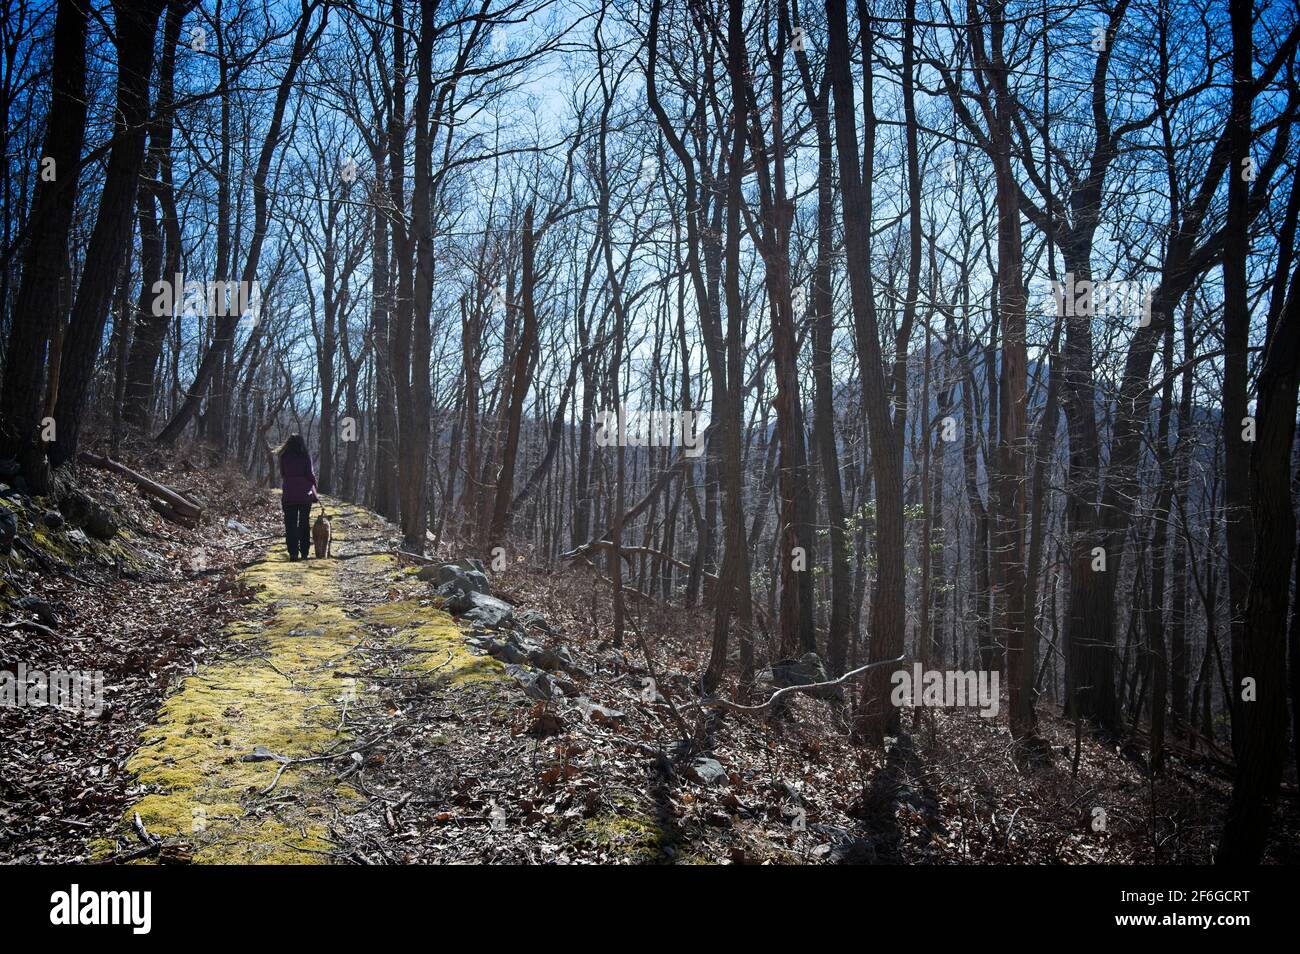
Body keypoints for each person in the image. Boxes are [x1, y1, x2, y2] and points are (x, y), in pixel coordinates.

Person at [277, 434, 318, 561]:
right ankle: (305, 552)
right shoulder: (305, 456)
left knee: (290, 524)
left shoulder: (284, 456)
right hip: (304, 494)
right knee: (304, 523)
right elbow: (310, 474)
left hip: (289, 493)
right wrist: (314, 487)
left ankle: (293, 553)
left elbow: (283, 473)